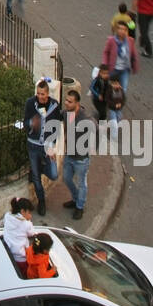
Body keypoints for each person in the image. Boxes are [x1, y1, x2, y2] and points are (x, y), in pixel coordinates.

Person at [23, 80, 61, 216]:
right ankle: (41, 201)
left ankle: (37, 170)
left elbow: (56, 127)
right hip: (33, 145)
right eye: (38, 93)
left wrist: (52, 146)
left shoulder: (54, 105)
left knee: (54, 174)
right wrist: (31, 123)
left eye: (43, 94)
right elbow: (25, 122)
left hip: (47, 147)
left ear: (47, 93)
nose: (40, 96)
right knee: (37, 179)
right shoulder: (30, 103)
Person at [60, 89, 91, 221]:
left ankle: (79, 206)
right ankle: (76, 198)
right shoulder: (67, 113)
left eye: (70, 101)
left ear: (77, 103)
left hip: (81, 158)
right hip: (69, 155)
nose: (66, 103)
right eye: (66, 100)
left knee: (82, 183)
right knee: (66, 178)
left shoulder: (84, 117)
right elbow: (56, 114)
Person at [101, 21, 138, 98]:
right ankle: (108, 100)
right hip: (113, 69)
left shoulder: (130, 41)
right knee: (109, 86)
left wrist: (135, 67)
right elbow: (106, 52)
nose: (122, 31)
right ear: (116, 30)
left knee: (123, 89)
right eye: (120, 29)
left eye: (124, 29)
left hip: (124, 70)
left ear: (126, 31)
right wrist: (104, 64)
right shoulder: (111, 40)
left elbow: (134, 55)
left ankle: (117, 105)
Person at [2, 197, 36, 263]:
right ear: (22, 211)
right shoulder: (26, 224)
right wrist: (28, 220)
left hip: (9, 250)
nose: (30, 215)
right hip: (20, 256)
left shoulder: (7, 215)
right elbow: (31, 233)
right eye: (29, 212)